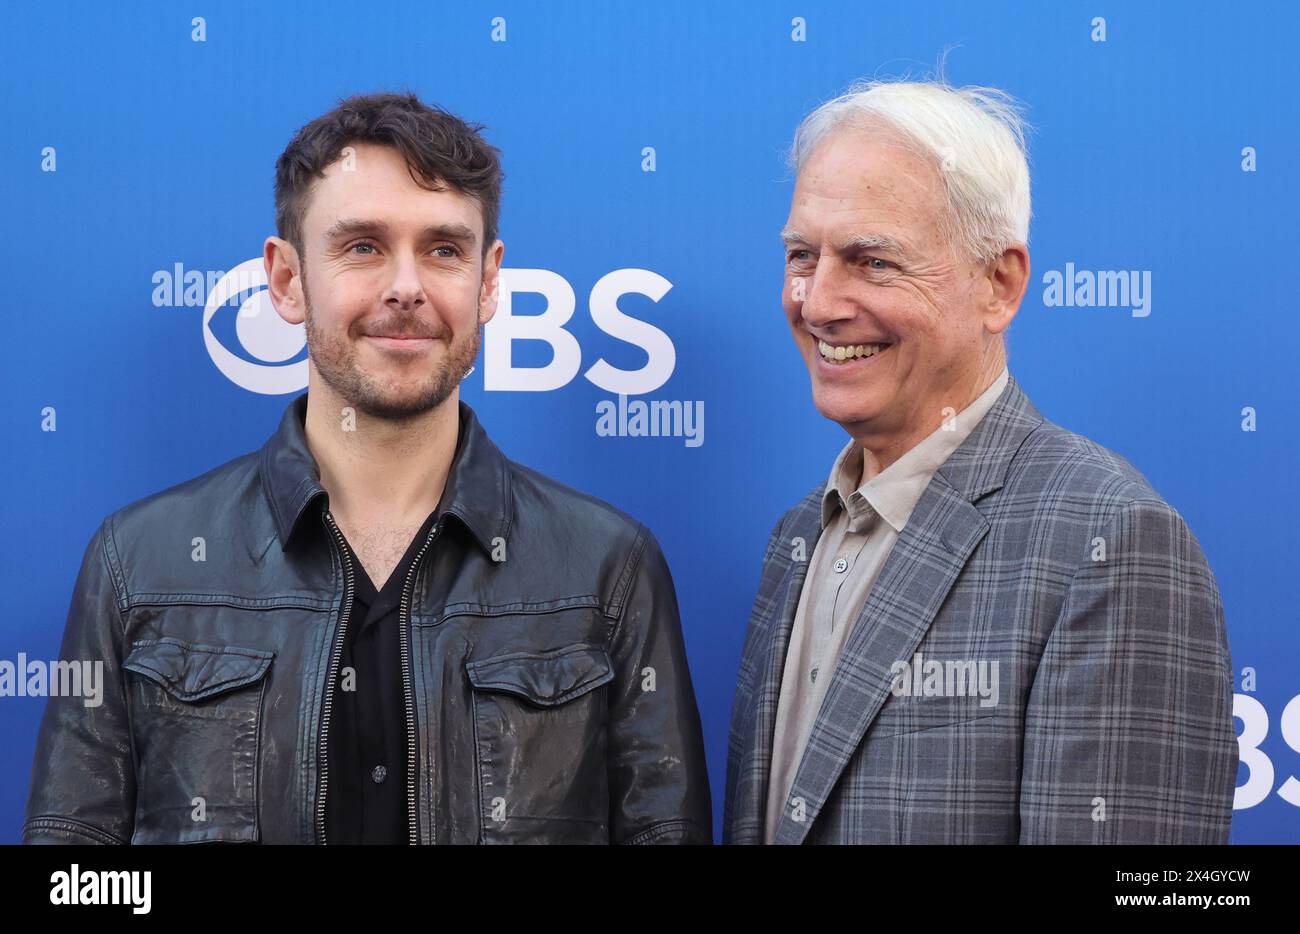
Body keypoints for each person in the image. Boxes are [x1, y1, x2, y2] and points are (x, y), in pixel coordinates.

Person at [24, 91, 710, 845]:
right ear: (287, 281)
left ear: (488, 282)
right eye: (362, 246)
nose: (406, 287)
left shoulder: (609, 567)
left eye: (443, 250)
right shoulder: (138, 562)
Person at [725, 77, 1237, 844]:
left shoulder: (1110, 540)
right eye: (803, 255)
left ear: (999, 285)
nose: (819, 302)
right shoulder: (798, 536)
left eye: (872, 261)